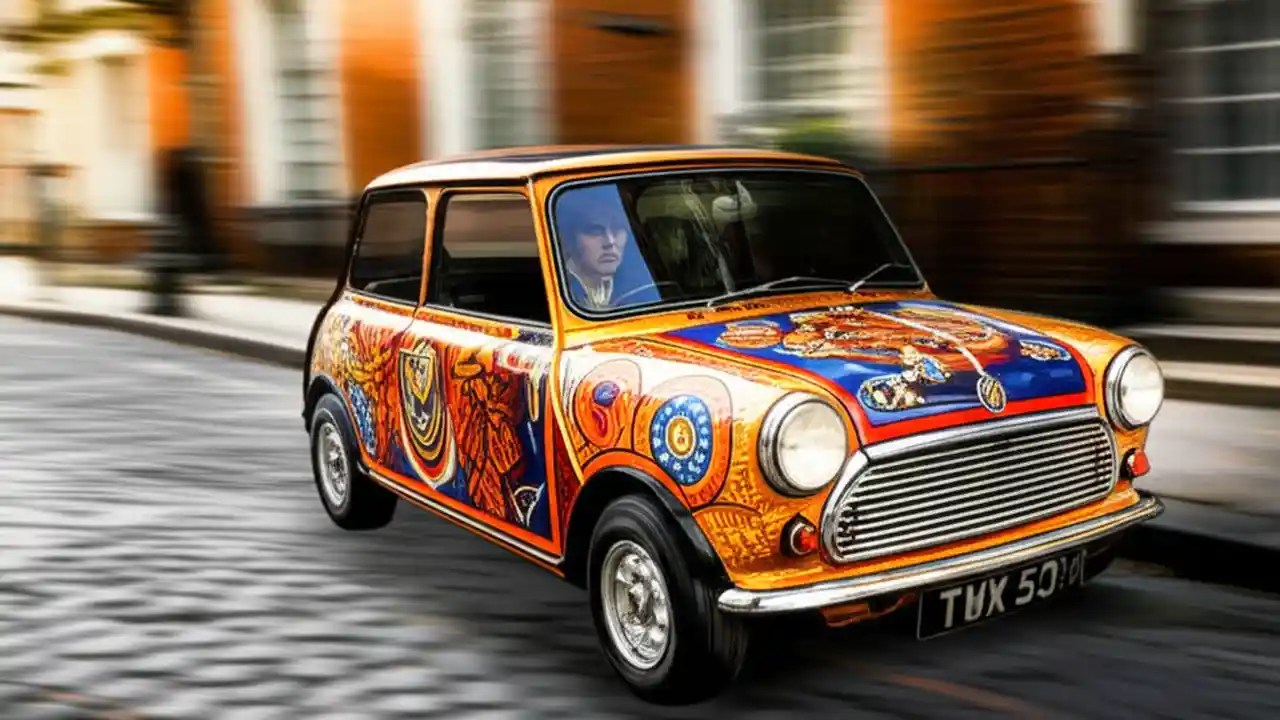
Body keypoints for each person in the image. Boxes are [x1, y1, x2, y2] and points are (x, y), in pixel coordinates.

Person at [556, 184, 653, 311]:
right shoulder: (559, 290)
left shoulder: (639, 284)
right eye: (595, 231)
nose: (610, 242)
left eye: (618, 229)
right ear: (571, 239)